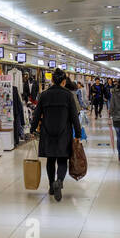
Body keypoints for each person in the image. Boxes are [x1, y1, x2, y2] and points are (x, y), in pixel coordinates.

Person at [31, 69, 84, 202]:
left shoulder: (44, 95)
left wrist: (32, 129)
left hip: (47, 132)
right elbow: (74, 117)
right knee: (62, 160)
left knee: (50, 160)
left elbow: (36, 114)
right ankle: (59, 181)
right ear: (64, 81)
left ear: (52, 80)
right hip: (63, 133)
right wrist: (78, 133)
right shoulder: (68, 95)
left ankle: (51, 186)